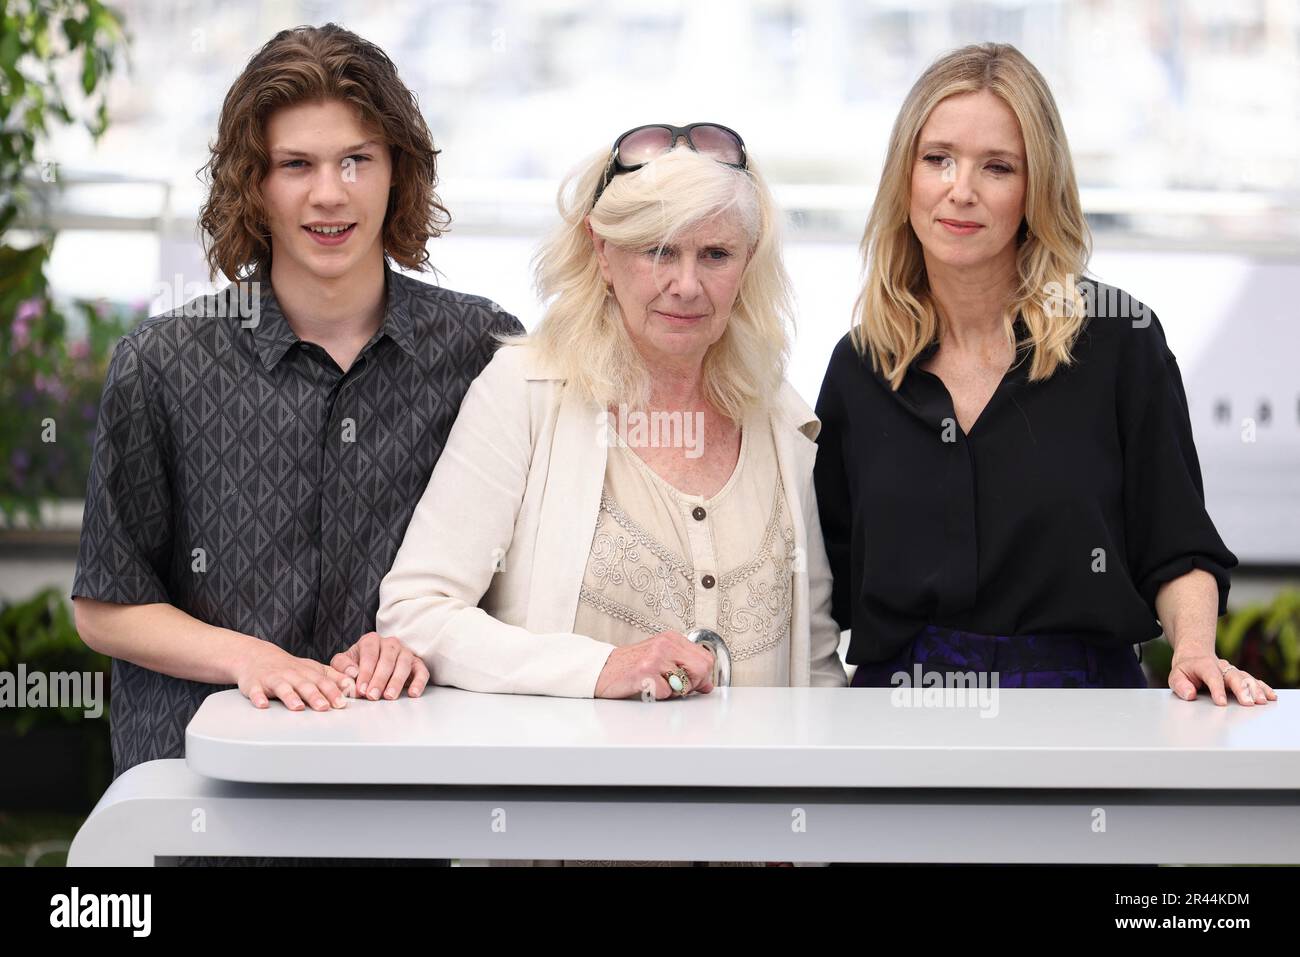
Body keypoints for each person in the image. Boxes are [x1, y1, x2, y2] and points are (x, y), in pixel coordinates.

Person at [72, 23, 523, 792]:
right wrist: (250, 656)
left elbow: (521, 577)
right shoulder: (161, 364)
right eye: (296, 165)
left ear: (396, 173)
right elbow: (107, 605)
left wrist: (429, 639)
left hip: (408, 794)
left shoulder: (485, 351)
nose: (328, 192)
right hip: (196, 789)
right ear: (254, 183)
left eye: (356, 159)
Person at [814, 42, 1276, 705]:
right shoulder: (861, 367)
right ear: (905, 176)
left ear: (1037, 189)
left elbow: (1176, 548)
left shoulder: (1121, 342)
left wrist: (1196, 651)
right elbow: (814, 585)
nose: (960, 190)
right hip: (898, 721)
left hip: (1086, 712)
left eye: (997, 167)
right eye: (937, 158)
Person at [377, 125, 847, 703]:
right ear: (602, 252)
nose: (687, 285)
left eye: (716, 255)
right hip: (573, 789)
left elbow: (820, 664)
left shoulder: (781, 418)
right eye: (658, 251)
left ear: (747, 263)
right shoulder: (525, 391)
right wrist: (598, 670)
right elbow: (416, 615)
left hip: (762, 793)